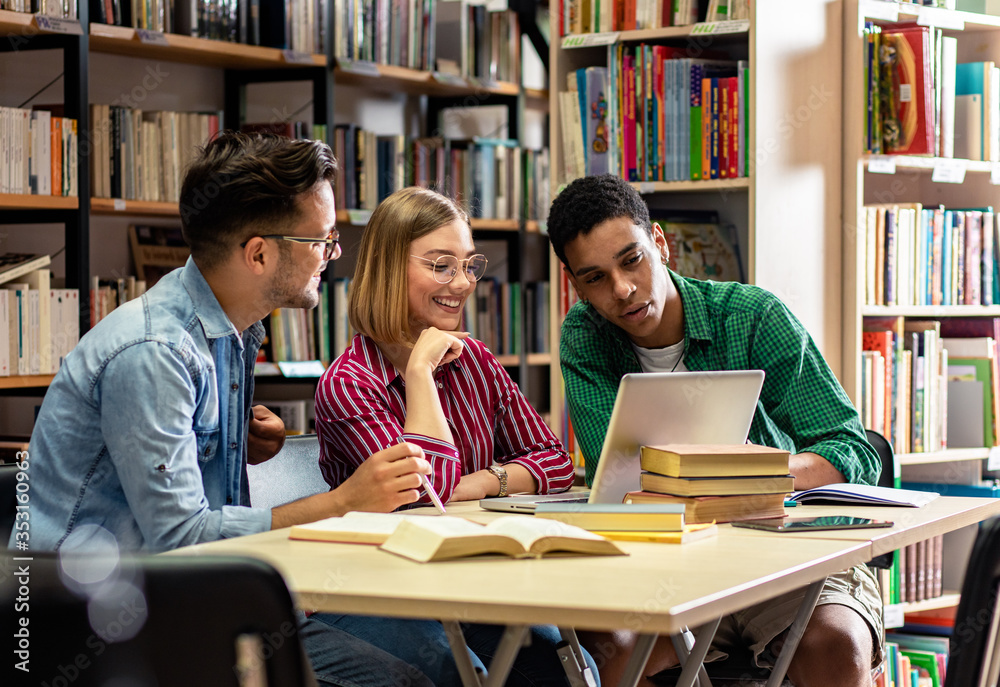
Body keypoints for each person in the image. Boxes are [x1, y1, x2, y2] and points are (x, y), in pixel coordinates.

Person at [17, 132, 437, 687]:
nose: (331, 256)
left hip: (192, 596)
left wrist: (233, 435)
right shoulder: (155, 352)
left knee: (424, 667)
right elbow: (181, 541)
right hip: (100, 623)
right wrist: (343, 502)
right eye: (321, 241)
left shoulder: (231, 327)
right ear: (259, 253)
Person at [545, 173, 884, 687]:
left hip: (781, 554)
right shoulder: (585, 337)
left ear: (660, 242)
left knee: (834, 642)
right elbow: (616, 478)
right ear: (575, 282)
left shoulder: (752, 316)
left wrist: (758, 472)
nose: (622, 289)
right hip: (667, 569)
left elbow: (854, 448)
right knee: (621, 652)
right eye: (595, 278)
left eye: (632, 259)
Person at [313, 186, 593, 686]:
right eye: (441, 265)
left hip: (471, 579)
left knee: (563, 661)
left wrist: (486, 481)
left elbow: (555, 460)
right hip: (382, 590)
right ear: (387, 270)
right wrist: (419, 370)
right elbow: (428, 496)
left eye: (468, 265)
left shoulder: (476, 361)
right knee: (458, 672)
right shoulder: (349, 383)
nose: (461, 283)